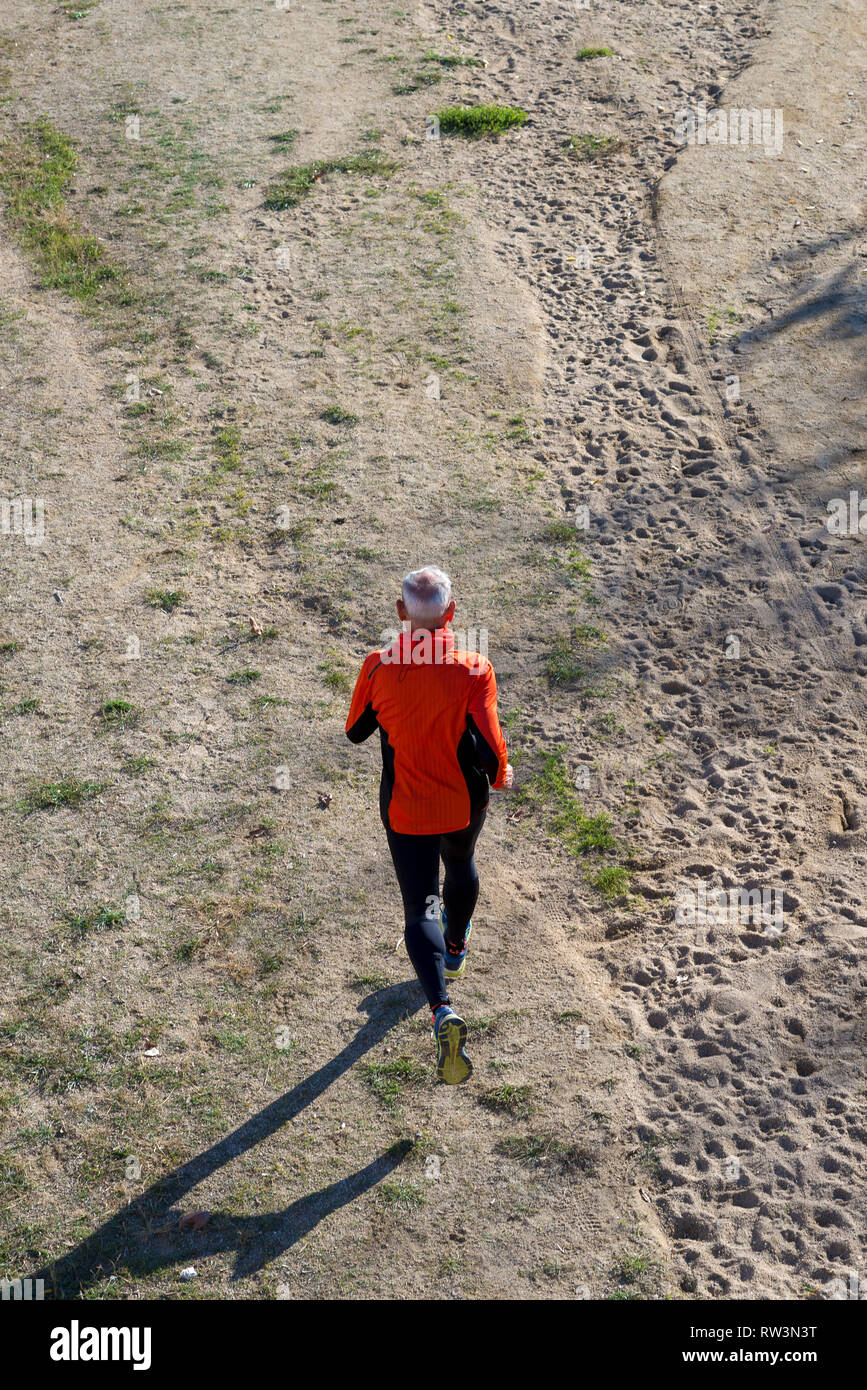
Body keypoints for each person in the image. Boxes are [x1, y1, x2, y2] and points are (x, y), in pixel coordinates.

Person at [345, 566, 513, 1084]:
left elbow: (355, 732)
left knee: (420, 905)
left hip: (406, 808)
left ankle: (442, 1008)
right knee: (461, 867)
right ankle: (457, 946)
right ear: (451, 613)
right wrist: (501, 772)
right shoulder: (474, 669)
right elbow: (489, 750)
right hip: (463, 803)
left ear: (401, 613)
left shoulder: (378, 665)